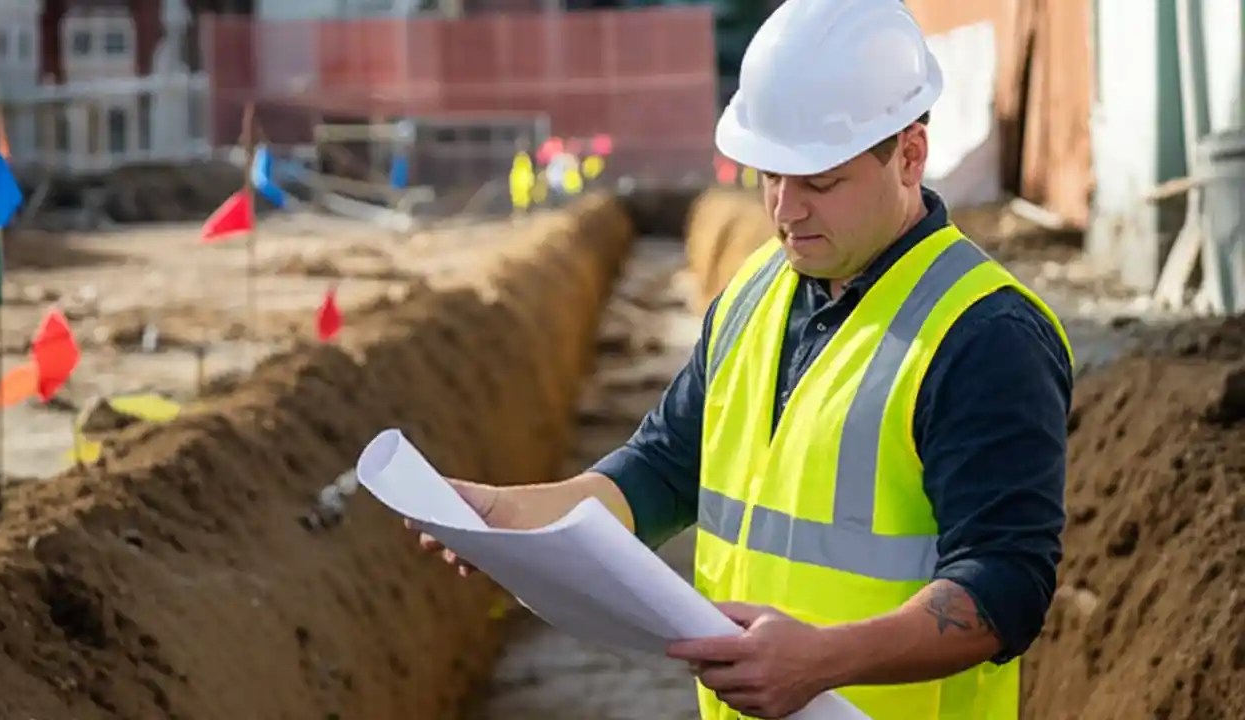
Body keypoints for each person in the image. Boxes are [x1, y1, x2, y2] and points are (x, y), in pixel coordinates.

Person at [410, 0, 1074, 718]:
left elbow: (1006, 583)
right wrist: (504, 517)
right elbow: (663, 472)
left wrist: (822, 661)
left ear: (909, 155)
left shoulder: (985, 335)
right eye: (769, 176)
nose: (786, 210)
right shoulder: (759, 290)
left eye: (820, 183)